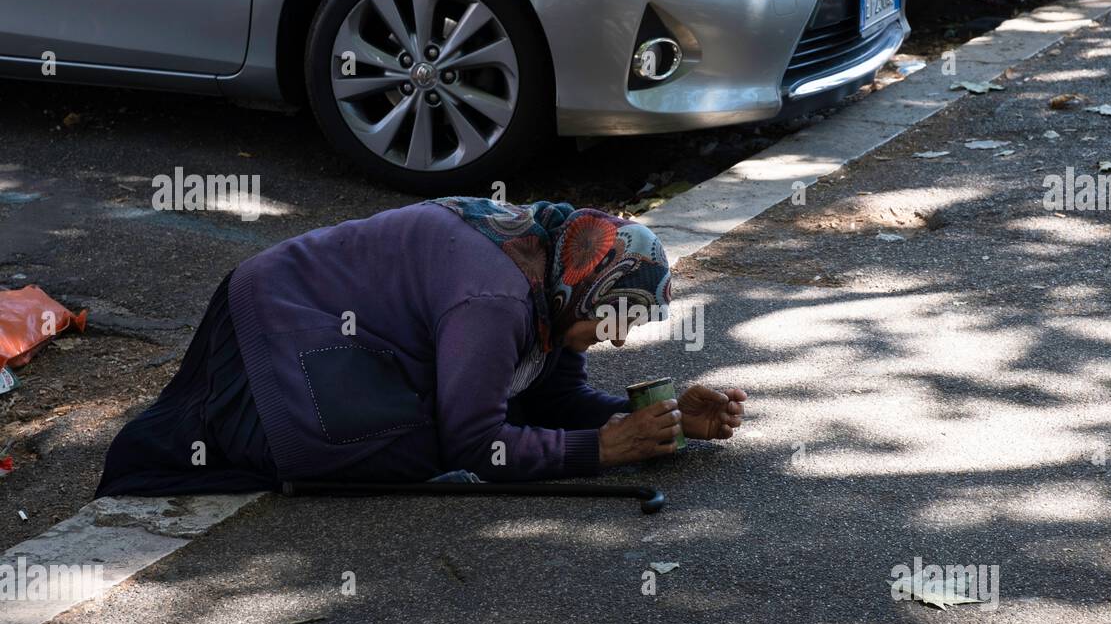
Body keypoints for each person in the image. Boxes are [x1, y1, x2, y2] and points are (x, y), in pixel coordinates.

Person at [96, 199, 747, 497]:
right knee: (424, 450)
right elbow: (477, 446)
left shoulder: (551, 269)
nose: (620, 336)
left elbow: (552, 396)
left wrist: (659, 426)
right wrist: (604, 448)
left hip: (311, 317)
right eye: (614, 318)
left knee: (489, 419)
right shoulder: (496, 300)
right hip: (281, 329)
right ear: (583, 291)